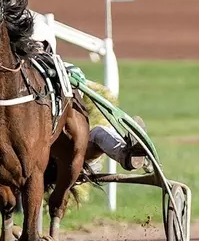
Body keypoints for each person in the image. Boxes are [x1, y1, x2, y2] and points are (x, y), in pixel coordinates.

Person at [31, 12, 147, 172]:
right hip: (37, 151)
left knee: (100, 133)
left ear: (49, 47)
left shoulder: (65, 69)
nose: (34, 52)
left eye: (38, 46)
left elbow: (79, 84)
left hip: (67, 147)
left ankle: (130, 155)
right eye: (30, 46)